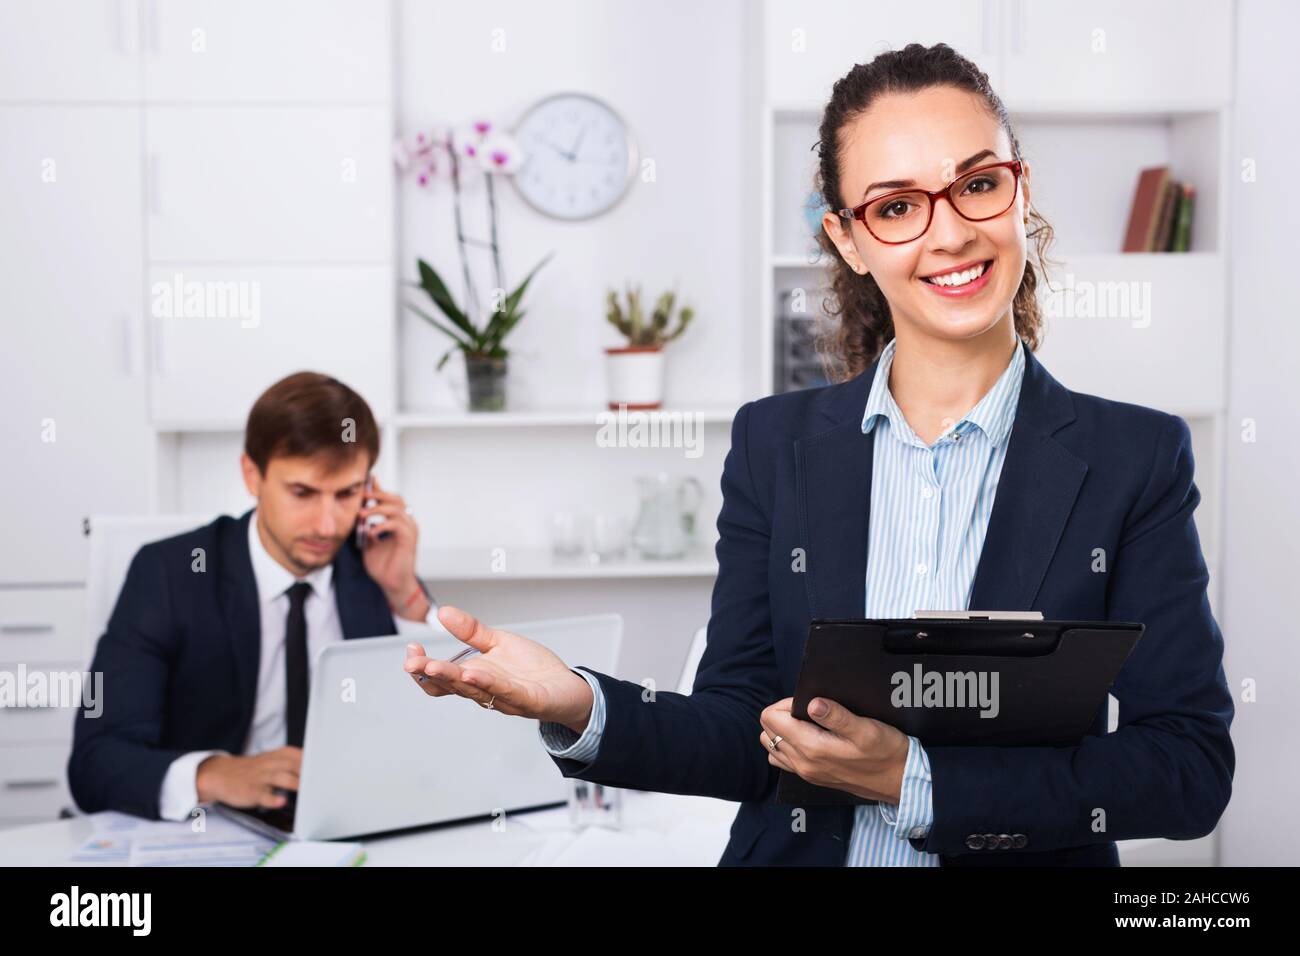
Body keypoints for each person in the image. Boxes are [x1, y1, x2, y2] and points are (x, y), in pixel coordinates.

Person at [403, 43, 1234, 866]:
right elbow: (742, 731)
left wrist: (914, 780)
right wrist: (581, 705)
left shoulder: (1136, 458)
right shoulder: (774, 447)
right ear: (847, 239)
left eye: (979, 185)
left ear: (1020, 191)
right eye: (897, 207)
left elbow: (1189, 767)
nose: (951, 234)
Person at [69, 372, 446, 820]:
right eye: (302, 493)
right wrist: (212, 774)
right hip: (215, 827)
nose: (327, 525)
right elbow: (96, 762)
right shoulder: (169, 573)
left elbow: (433, 744)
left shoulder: (376, 569)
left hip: (348, 823)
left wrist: (404, 595)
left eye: (347, 493)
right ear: (252, 474)